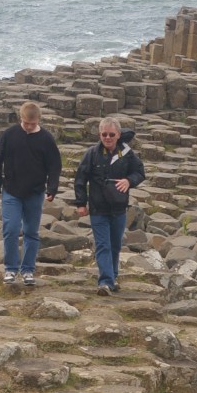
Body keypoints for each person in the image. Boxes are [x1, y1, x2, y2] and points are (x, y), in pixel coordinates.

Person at [0, 101, 62, 286]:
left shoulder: (46, 139)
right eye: (25, 123)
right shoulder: (9, 135)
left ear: (38, 119)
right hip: (11, 191)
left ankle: (28, 270)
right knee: (11, 229)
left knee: (31, 232)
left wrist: (52, 188)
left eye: (32, 123)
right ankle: (10, 269)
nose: (29, 127)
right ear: (20, 118)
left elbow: (54, 166)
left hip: (35, 192)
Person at [73, 117, 145, 296]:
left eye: (111, 134)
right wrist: (81, 203)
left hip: (119, 209)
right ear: (99, 134)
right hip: (98, 209)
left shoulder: (127, 153)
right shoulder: (91, 154)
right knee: (103, 245)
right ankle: (104, 282)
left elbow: (140, 172)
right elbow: (80, 179)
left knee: (115, 245)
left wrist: (129, 181)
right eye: (104, 134)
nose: (107, 138)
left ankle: (112, 278)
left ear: (118, 135)